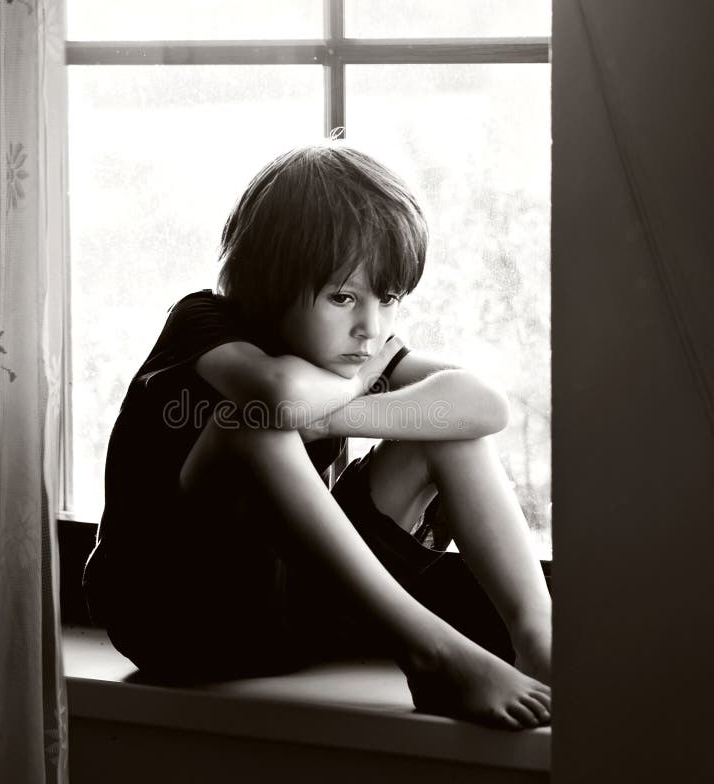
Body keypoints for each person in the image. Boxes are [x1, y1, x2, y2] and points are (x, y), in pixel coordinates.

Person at [82, 143, 552, 730]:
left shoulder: (353, 345)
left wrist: (331, 414)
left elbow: (483, 404)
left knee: (448, 430)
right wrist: (358, 388)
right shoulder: (203, 321)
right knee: (250, 425)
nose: (370, 327)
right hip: (179, 621)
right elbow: (277, 396)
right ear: (268, 281)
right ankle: (433, 651)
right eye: (343, 297)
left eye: (389, 299)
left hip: (298, 615)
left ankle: (539, 640)